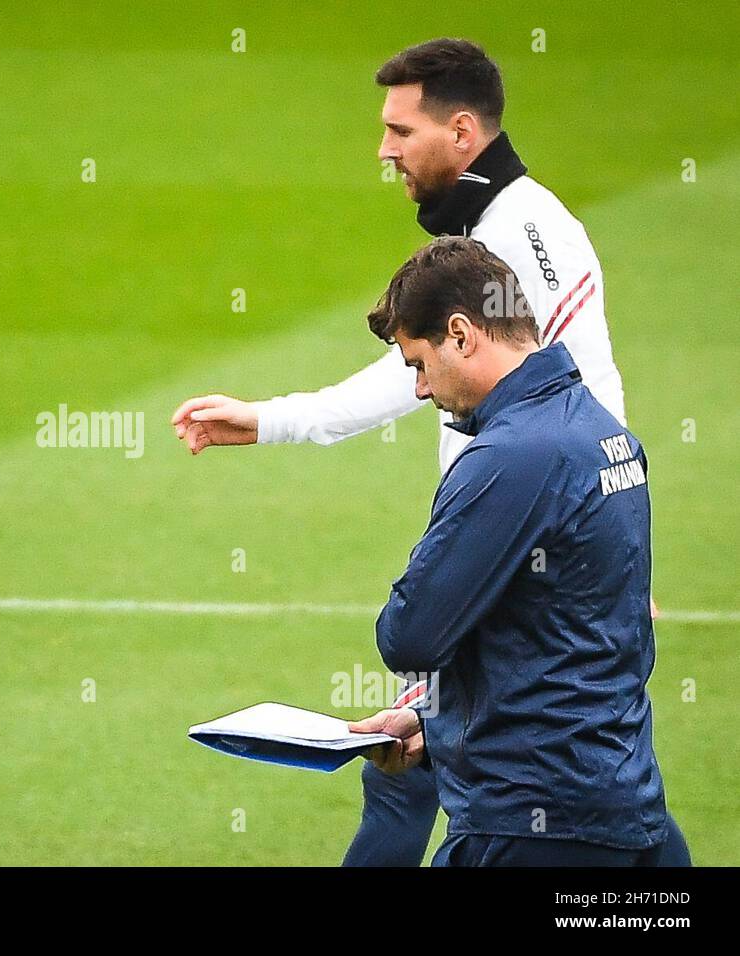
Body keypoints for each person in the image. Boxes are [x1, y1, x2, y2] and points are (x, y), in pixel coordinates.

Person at [170, 37, 689, 865]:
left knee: (482, 764)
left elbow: (581, 388)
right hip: (529, 535)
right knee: (468, 758)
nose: (384, 151)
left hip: (519, 544)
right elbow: (454, 373)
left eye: (399, 131)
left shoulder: (522, 232)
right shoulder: (497, 228)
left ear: (459, 129)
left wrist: (615, 553)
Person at [347, 237, 668, 866]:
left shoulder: (512, 457)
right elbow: (568, 636)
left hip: (529, 825)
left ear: (462, 335)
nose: (418, 390)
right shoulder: (605, 434)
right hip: (625, 807)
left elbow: (408, 637)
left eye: (418, 363)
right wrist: (437, 727)